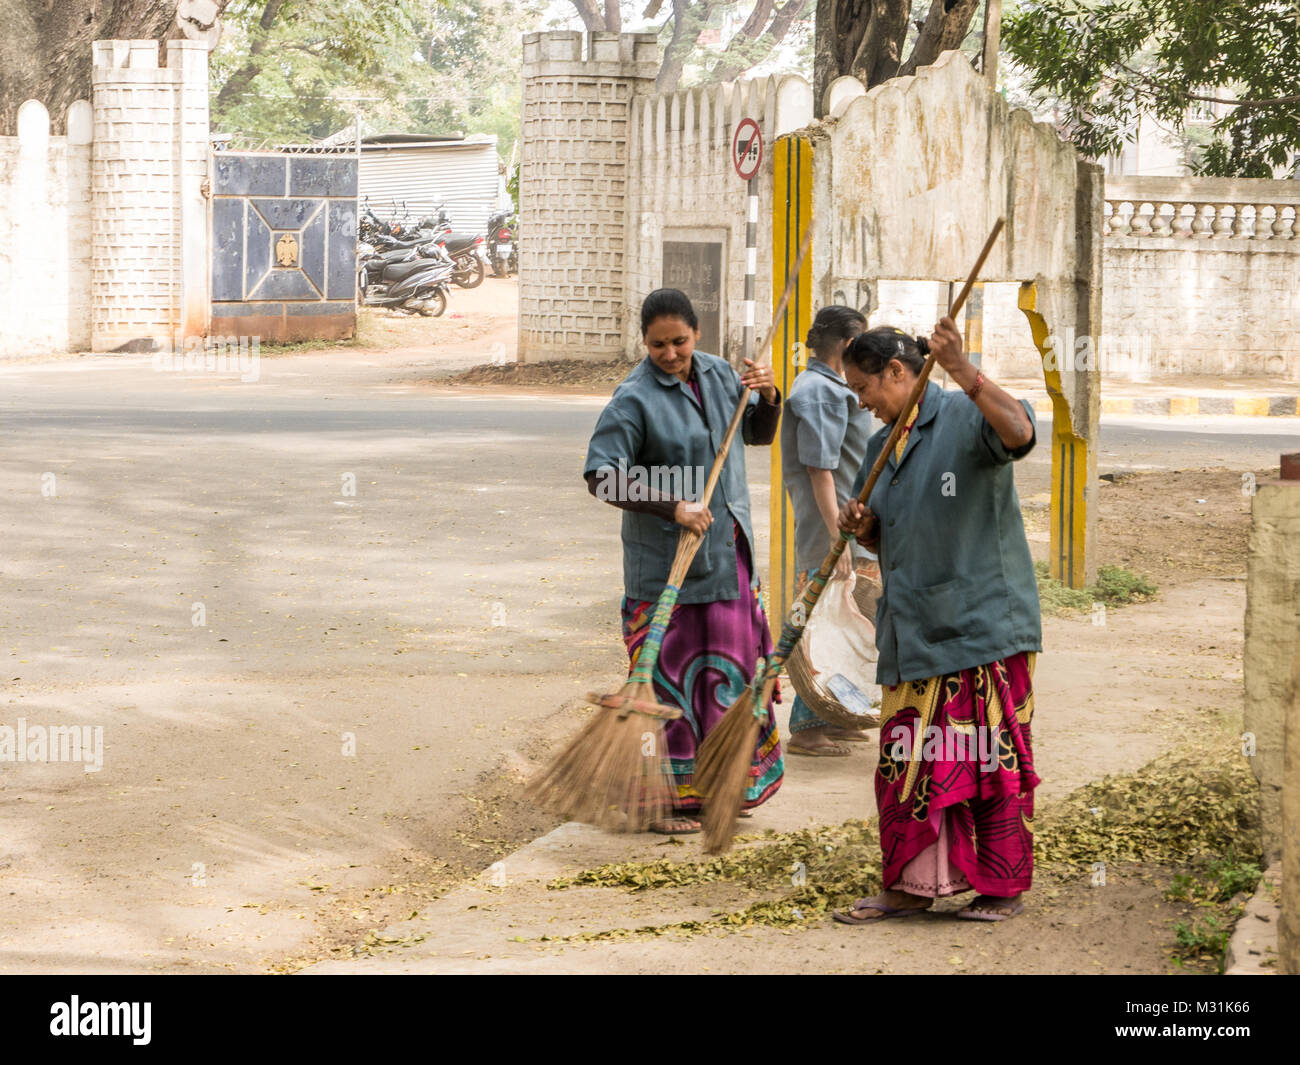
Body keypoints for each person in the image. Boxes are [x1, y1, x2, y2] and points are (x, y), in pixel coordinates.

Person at [832, 318, 1042, 922]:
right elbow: (890, 531)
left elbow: (1021, 432)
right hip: (913, 632)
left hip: (981, 629)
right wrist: (865, 528)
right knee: (907, 761)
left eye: (865, 389)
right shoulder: (879, 450)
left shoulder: (964, 414)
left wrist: (964, 371)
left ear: (897, 373)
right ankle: (907, 885)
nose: (862, 403)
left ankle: (1002, 886)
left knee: (986, 759)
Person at [583, 288, 785, 834]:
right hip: (665, 570)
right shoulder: (633, 398)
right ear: (643, 343)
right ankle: (664, 801)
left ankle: (725, 785)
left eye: (680, 341)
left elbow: (758, 436)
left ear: (698, 335)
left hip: (727, 560)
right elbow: (601, 475)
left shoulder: (723, 375)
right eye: (658, 345)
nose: (670, 354)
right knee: (669, 689)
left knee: (729, 679)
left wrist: (769, 397)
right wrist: (672, 507)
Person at [780, 306, 878, 756]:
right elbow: (820, 469)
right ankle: (807, 725)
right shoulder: (819, 391)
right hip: (831, 527)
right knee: (822, 622)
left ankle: (837, 715)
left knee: (848, 618)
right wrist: (836, 537)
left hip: (847, 522)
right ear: (845, 343)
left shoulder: (834, 386)